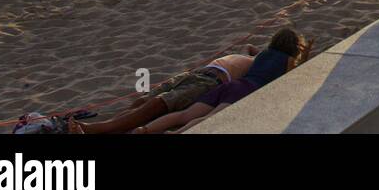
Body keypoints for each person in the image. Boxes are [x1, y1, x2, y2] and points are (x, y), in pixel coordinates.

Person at [133, 29, 313, 133]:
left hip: (231, 85)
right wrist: (305, 55)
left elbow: (252, 50)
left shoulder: (263, 54)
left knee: (186, 114)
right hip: (246, 90)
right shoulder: (287, 60)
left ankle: (145, 130)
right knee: (210, 118)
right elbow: (292, 77)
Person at [73, 40, 273, 134]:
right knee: (145, 100)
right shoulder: (250, 56)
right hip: (197, 73)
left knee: (161, 103)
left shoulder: (259, 64)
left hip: (211, 81)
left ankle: (99, 129)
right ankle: (112, 124)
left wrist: (263, 53)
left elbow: (264, 59)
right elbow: (250, 47)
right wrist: (256, 50)